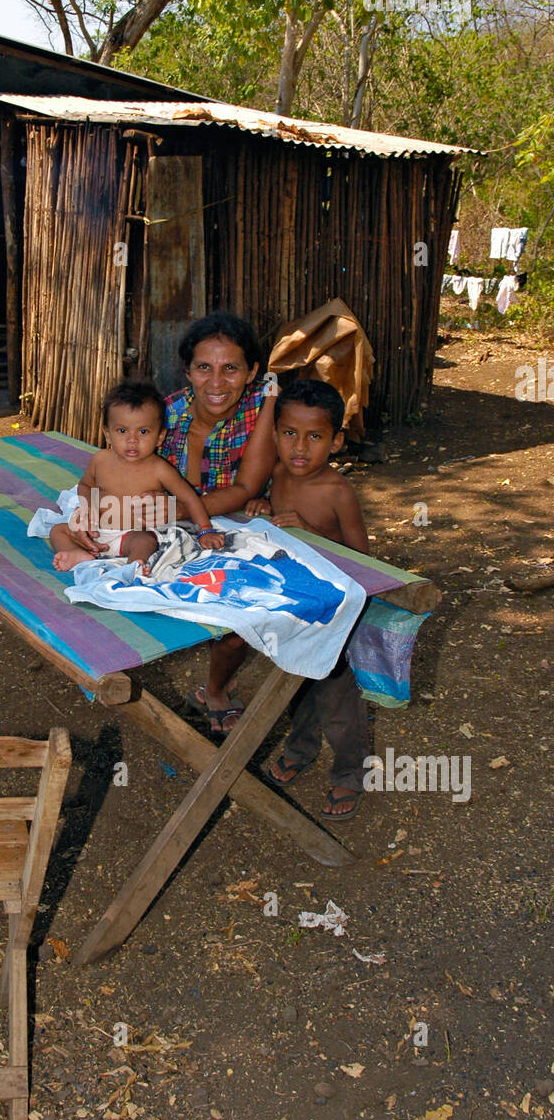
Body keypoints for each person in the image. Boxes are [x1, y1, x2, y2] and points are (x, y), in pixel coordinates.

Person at [248, 377, 370, 821]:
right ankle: (299, 747)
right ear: (275, 433)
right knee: (295, 685)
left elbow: (363, 561)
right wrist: (262, 508)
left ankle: (348, 774)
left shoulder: (338, 492)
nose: (299, 447)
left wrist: (310, 530)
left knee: (338, 702)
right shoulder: (278, 473)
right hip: (296, 605)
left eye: (315, 436)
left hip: (337, 614)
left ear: (336, 441)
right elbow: (277, 517)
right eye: (288, 433)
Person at [163, 313, 278, 732]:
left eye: (230, 368)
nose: (216, 383)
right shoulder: (167, 413)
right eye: (203, 368)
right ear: (187, 371)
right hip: (164, 527)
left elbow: (247, 486)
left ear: (251, 373)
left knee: (237, 618)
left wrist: (183, 511)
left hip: (229, 528)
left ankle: (215, 689)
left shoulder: (260, 415)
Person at [49, 380, 226, 572]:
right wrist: (86, 509)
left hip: (131, 535)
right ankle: (78, 554)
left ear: (159, 437)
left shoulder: (159, 469)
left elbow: (190, 499)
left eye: (143, 431)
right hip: (96, 531)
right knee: (58, 531)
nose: (132, 440)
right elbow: (85, 485)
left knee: (146, 541)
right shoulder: (100, 460)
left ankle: (134, 564)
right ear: (107, 434)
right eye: (122, 430)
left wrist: (205, 530)